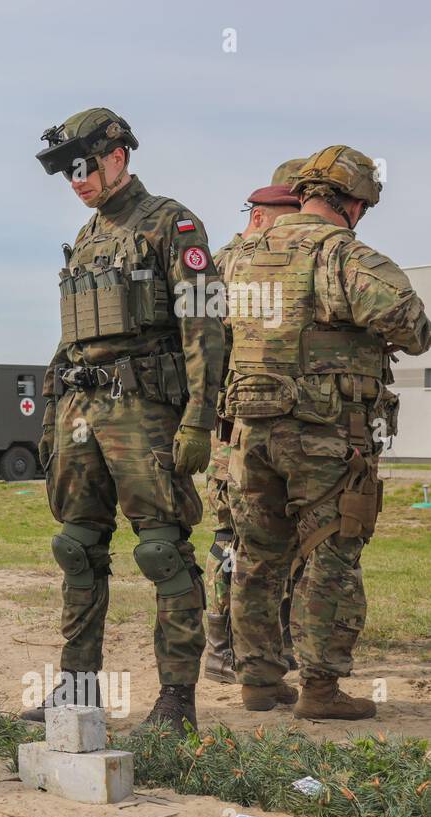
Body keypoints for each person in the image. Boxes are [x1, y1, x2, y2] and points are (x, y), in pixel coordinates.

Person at [27, 108, 224, 731]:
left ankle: (175, 702)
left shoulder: (173, 223)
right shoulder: (86, 238)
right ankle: (79, 687)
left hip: (144, 411)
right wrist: (52, 413)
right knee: (77, 547)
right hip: (81, 410)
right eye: (67, 173)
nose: (77, 181)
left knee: (163, 550)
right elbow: (73, 336)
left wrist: (199, 416)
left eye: (84, 167)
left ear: (118, 156)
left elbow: (205, 323)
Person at [224, 145, 430, 717]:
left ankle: (260, 683)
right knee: (331, 551)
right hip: (324, 433)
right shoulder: (344, 254)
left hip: (248, 432)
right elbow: (413, 327)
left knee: (257, 556)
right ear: (356, 203)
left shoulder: (236, 256)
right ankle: (320, 689)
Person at [203, 159, 304, 684]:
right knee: (237, 537)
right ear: (264, 216)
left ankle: (250, 645)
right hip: (238, 427)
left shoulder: (220, 263)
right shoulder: (236, 262)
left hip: (236, 425)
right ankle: (226, 644)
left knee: (255, 538)